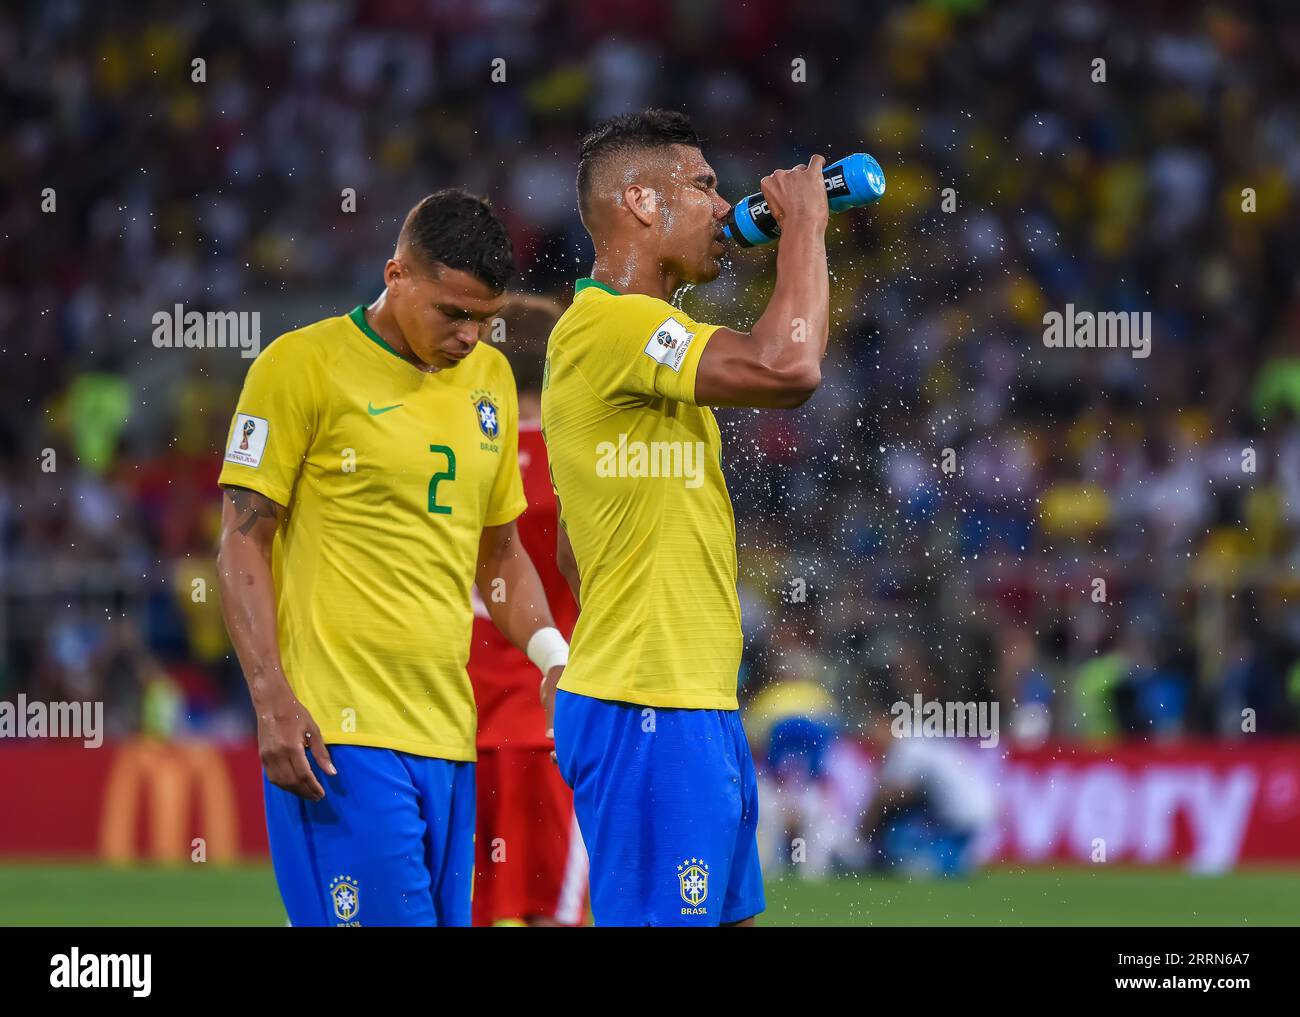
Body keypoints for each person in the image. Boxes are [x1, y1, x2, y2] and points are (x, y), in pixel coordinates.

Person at [215, 189, 569, 926]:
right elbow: (241, 541)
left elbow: (497, 555)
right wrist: (271, 697)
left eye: (484, 317)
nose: (471, 336)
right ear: (397, 274)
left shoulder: (492, 382)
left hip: (449, 735)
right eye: (454, 313)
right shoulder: (299, 366)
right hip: (339, 736)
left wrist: (552, 655)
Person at [541, 108, 832, 925]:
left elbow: (573, 543)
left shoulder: (638, 342)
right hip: (650, 708)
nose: (721, 204)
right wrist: (805, 225)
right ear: (639, 201)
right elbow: (790, 363)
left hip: (684, 700)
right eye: (703, 186)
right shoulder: (612, 325)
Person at [468, 295, 587, 926]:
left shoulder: (453, 458)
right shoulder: (582, 463)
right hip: (550, 721)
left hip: (449, 724)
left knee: (453, 910)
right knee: (552, 915)